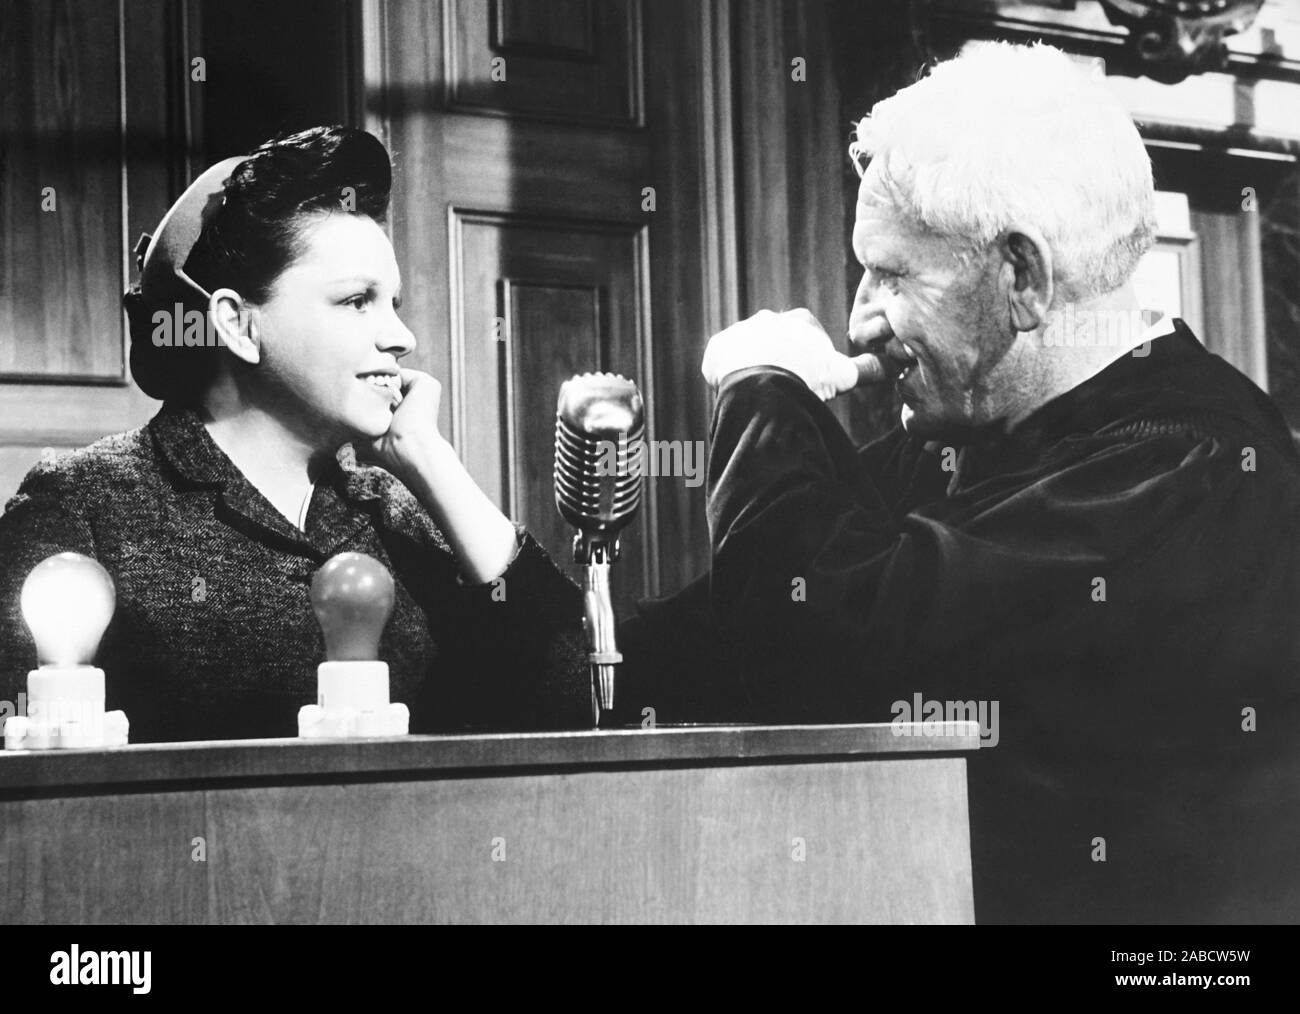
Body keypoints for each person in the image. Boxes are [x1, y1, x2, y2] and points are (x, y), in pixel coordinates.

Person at [616, 42, 1300, 923]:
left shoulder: (1191, 477)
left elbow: (815, 652)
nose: (860, 321)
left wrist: (758, 388)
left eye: (893, 275)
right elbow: (691, 652)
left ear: (1023, 277)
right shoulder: (970, 440)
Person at [0, 126, 588, 742]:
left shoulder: (396, 513)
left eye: (395, 302)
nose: (401, 337)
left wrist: (432, 462)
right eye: (357, 301)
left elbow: (579, 701)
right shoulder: (84, 506)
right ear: (236, 324)